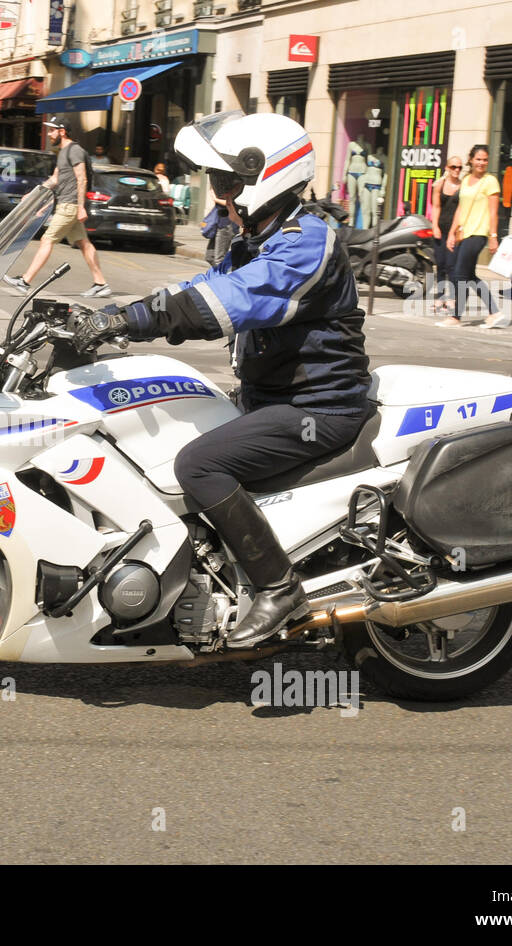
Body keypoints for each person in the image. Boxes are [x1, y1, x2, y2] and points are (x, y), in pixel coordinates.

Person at [70, 111, 370, 648]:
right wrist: (114, 313)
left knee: (198, 464)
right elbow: (199, 287)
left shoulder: (307, 241)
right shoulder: (254, 238)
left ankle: (279, 590)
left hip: (317, 408)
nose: (219, 194)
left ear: (267, 176)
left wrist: (133, 321)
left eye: (227, 182)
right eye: (217, 181)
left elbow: (227, 300)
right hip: (268, 396)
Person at [3, 116, 110, 297]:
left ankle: (25, 281)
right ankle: (101, 283)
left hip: (70, 205)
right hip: (67, 204)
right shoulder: (63, 153)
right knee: (84, 243)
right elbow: (54, 179)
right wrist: (33, 194)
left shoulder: (74, 151)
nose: (49, 134)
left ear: (62, 132)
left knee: (47, 239)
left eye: (52, 130)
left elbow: (81, 178)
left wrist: (81, 207)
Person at [441, 144, 504, 329]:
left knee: (461, 273)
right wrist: (452, 233)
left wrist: (493, 236)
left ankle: (457, 316)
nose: (482, 163)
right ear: (471, 160)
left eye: (485, 159)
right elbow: (460, 209)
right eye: (478, 159)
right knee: (467, 275)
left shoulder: (490, 181)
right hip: (465, 232)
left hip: (479, 233)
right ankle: (492, 312)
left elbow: (493, 212)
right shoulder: (466, 179)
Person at [428, 155, 463, 314]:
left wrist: (456, 232)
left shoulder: (463, 187)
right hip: (440, 229)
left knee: (451, 266)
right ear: (447, 168)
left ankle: (453, 299)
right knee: (440, 264)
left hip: (454, 231)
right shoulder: (439, 185)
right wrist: (434, 226)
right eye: (454, 167)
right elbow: (436, 207)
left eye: (459, 167)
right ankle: (440, 298)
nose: (457, 170)